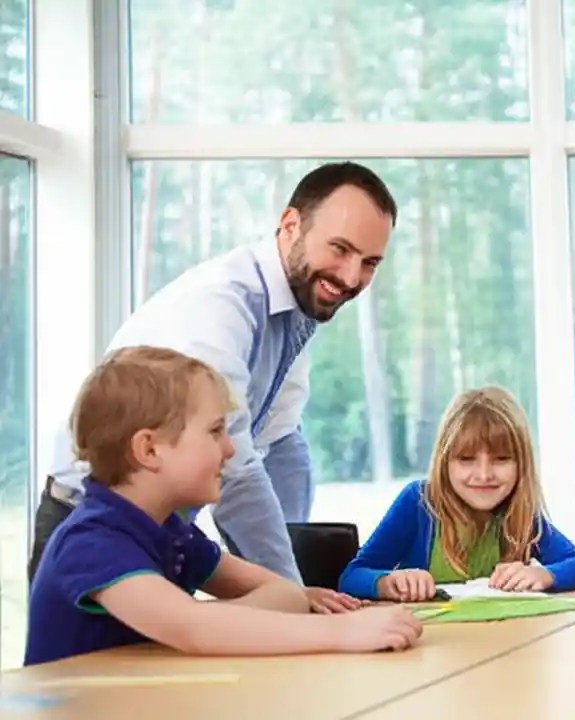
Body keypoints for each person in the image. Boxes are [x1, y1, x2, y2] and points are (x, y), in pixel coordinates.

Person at [33, 162, 396, 613]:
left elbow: (280, 441)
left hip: (165, 529)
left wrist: (295, 587)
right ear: (290, 225)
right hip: (94, 520)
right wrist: (293, 595)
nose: (351, 277)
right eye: (340, 248)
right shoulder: (219, 310)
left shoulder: (297, 304)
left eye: (370, 263)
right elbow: (238, 467)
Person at [25, 347, 421, 666]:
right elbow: (194, 629)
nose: (230, 448)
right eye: (215, 431)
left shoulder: (173, 533)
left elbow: (285, 593)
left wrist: (222, 623)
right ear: (149, 449)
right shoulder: (91, 542)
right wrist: (344, 632)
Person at [338, 387, 575, 600]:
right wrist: (386, 582)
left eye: (501, 459)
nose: (483, 475)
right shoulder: (418, 502)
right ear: (444, 462)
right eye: (466, 459)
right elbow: (352, 576)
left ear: (522, 464)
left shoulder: (519, 513)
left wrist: (546, 575)